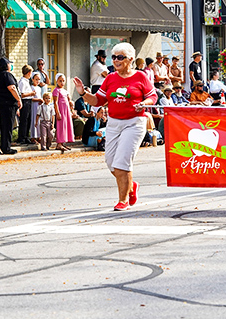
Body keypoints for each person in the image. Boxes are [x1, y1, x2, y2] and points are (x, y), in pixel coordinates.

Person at [73, 42, 158, 211]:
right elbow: (98, 100)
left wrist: (144, 103)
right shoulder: (110, 78)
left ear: (130, 59)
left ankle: (123, 200)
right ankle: (131, 186)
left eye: (120, 57)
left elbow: (152, 96)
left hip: (134, 123)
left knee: (122, 161)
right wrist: (82, 92)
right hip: (113, 122)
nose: (116, 60)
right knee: (111, 162)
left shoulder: (140, 77)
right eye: (114, 57)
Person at [0, 57, 21, 155]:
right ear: (6, 65)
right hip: (9, 104)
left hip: (1, 104)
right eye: (9, 64)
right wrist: (18, 99)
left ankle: (4, 146)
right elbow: (12, 87)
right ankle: (7, 148)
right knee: (8, 126)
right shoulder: (7, 75)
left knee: (3, 126)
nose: (10, 65)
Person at [52, 73, 74, 151]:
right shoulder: (56, 90)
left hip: (66, 110)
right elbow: (55, 102)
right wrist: (57, 112)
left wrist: (71, 106)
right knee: (61, 126)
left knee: (66, 125)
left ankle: (63, 142)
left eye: (63, 81)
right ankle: (59, 144)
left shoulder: (65, 91)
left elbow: (69, 101)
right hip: (61, 110)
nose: (62, 82)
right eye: (60, 81)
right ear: (57, 81)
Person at [17, 64, 36, 144]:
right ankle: (22, 137)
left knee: (28, 120)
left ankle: (26, 136)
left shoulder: (27, 81)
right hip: (25, 101)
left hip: (29, 102)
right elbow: (21, 94)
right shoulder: (22, 82)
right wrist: (31, 94)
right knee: (24, 120)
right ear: (28, 73)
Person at [30, 73, 44, 143]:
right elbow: (31, 98)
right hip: (34, 106)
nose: (38, 81)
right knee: (34, 120)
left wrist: (41, 100)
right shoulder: (31, 87)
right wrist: (39, 100)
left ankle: (39, 135)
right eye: (36, 79)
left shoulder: (39, 88)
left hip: (39, 106)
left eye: (39, 79)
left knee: (39, 121)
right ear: (32, 79)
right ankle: (33, 136)